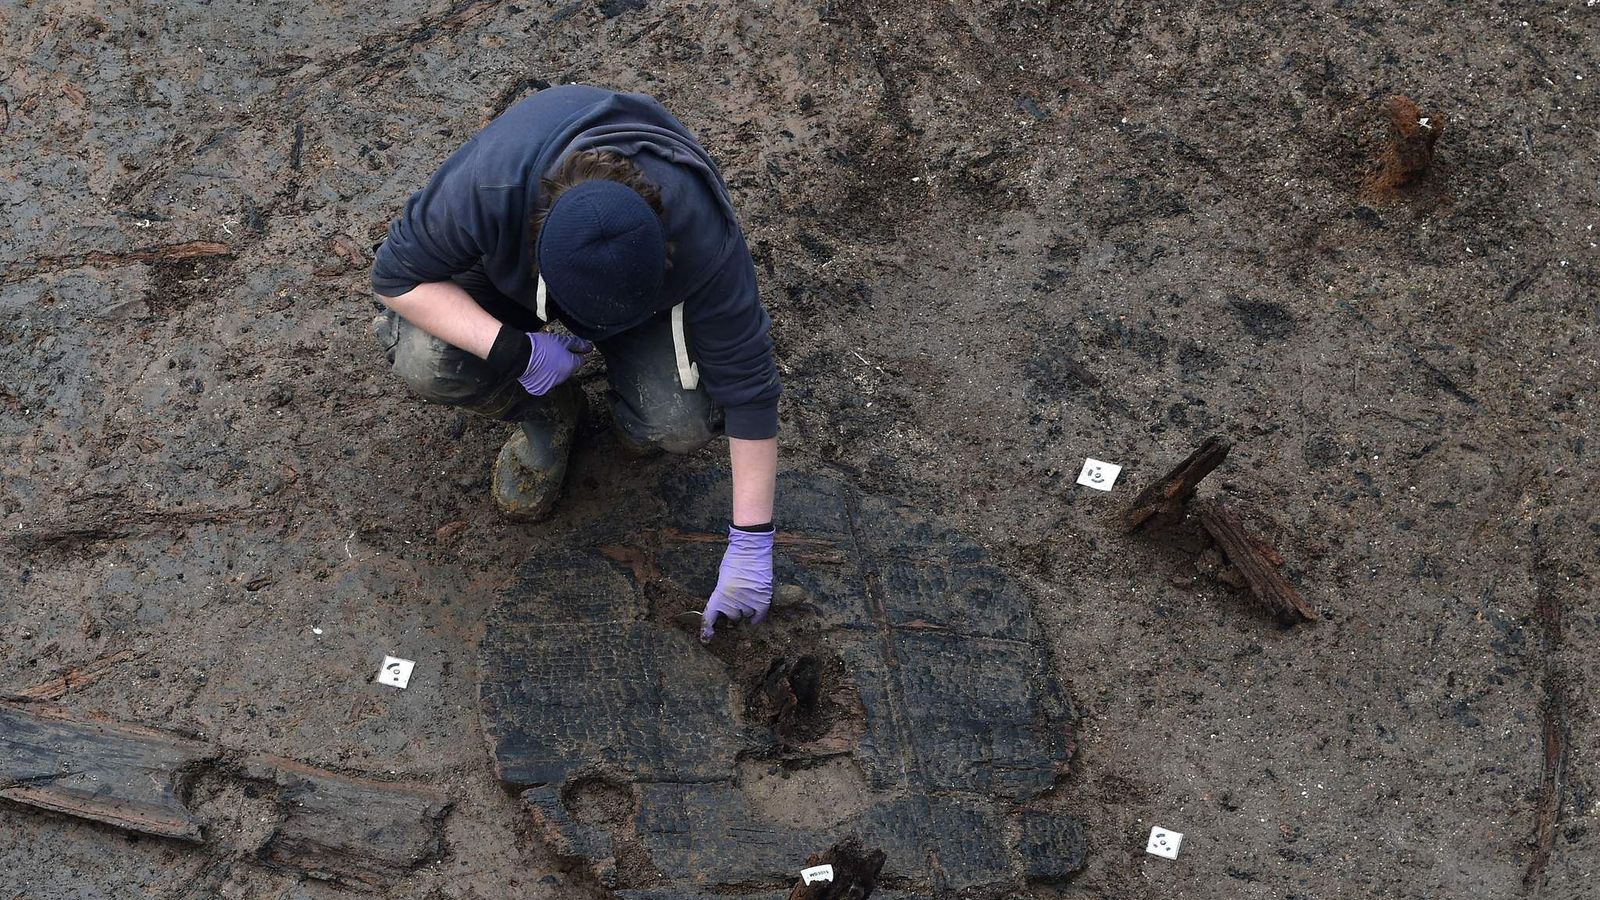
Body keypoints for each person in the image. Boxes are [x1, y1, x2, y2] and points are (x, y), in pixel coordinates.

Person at [370, 85, 779, 641]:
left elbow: (750, 383)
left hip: (639, 297)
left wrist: (752, 539)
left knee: (678, 423)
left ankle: (633, 417)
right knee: (426, 357)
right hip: (516, 284)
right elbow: (395, 277)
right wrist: (514, 348)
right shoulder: (491, 188)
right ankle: (548, 410)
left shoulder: (699, 230)